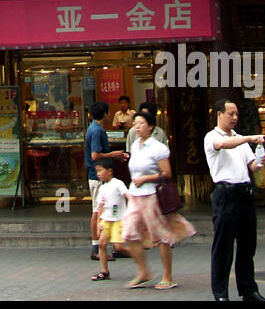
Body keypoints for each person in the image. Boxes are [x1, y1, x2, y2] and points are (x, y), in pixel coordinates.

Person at [120, 110, 196, 290]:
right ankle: (143, 272)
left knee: (160, 235)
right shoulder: (135, 145)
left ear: (151, 126)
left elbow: (167, 173)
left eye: (141, 124)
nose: (137, 127)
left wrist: (146, 178)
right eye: (135, 124)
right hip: (135, 196)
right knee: (129, 232)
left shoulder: (158, 148)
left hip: (152, 195)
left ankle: (167, 276)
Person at [203, 98, 265, 301]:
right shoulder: (212, 137)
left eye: (236, 114)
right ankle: (221, 293)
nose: (234, 118)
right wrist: (249, 138)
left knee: (247, 246)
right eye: (230, 114)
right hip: (225, 195)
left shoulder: (240, 138)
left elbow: (251, 166)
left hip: (244, 193)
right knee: (223, 247)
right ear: (219, 114)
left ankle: (249, 290)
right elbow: (223, 145)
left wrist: (259, 163)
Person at [84, 101, 129, 261]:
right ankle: (96, 247)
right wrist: (113, 155)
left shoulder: (94, 129)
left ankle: (108, 245)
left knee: (100, 210)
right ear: (105, 114)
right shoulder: (96, 130)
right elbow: (95, 155)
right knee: (97, 211)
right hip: (97, 176)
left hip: (97, 175)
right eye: (109, 112)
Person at [89, 158, 131, 282]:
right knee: (102, 244)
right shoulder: (102, 188)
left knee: (118, 248)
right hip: (106, 220)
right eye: (97, 171)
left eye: (100, 171)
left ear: (110, 171)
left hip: (118, 220)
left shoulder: (118, 183)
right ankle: (104, 271)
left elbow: (128, 196)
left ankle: (137, 254)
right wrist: (98, 224)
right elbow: (100, 207)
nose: (98, 174)